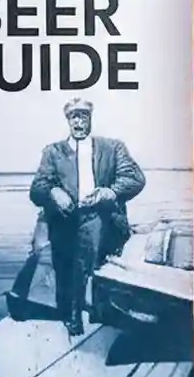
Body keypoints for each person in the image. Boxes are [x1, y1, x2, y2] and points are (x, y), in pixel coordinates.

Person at [29, 98, 146, 335]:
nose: (79, 122)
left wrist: (110, 192)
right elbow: (37, 188)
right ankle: (72, 319)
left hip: (101, 216)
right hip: (66, 219)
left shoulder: (113, 148)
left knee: (96, 263)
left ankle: (99, 316)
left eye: (83, 116)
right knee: (67, 266)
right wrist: (54, 191)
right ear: (68, 120)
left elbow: (135, 179)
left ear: (90, 119)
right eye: (74, 117)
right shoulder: (53, 152)